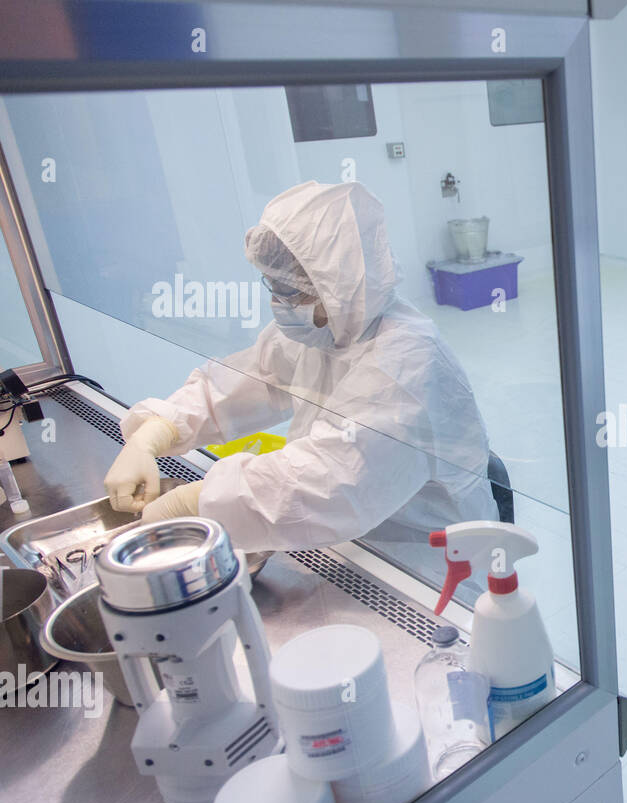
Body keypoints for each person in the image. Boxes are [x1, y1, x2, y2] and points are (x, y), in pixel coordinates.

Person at [104, 180, 498, 554]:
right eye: (272, 285)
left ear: (340, 285)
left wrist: (193, 502)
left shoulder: (407, 360)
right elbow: (241, 382)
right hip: (349, 542)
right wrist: (154, 433)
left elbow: (330, 482)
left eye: (290, 288)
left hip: (430, 563)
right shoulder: (320, 330)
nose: (279, 302)